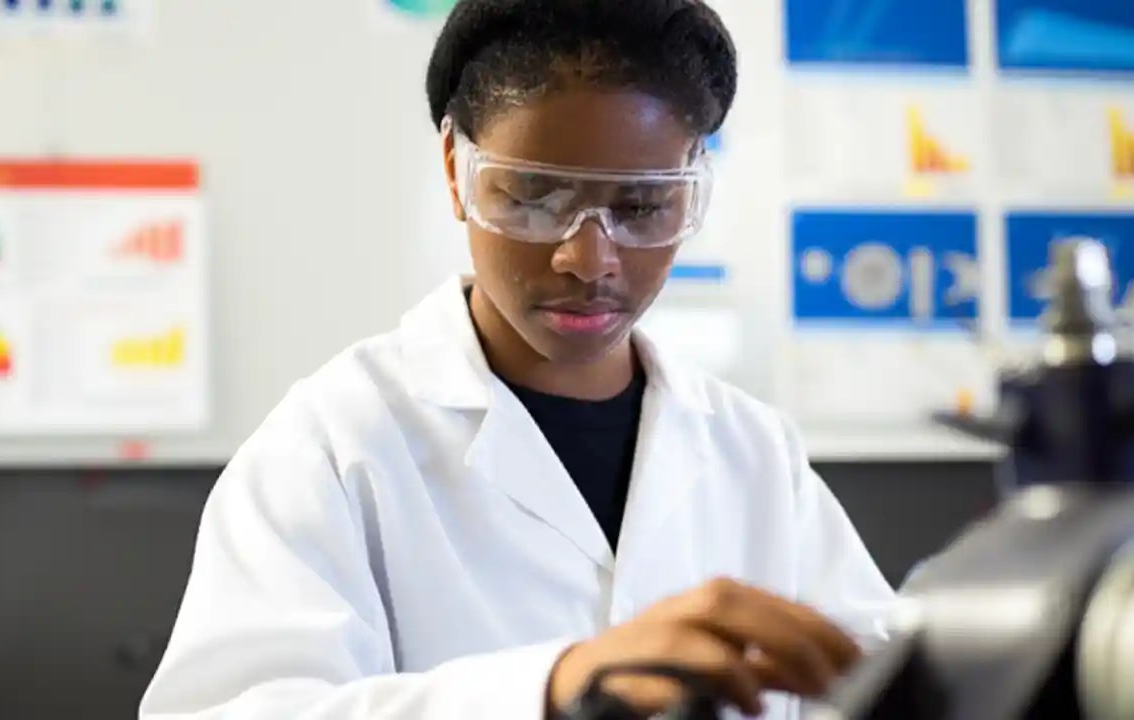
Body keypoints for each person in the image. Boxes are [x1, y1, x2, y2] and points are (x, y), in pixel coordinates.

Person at [140, 1, 895, 718]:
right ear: (454, 168)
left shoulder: (753, 452)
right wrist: (557, 687)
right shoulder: (334, 445)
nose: (587, 257)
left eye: (641, 207)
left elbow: (888, 674)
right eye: (533, 197)